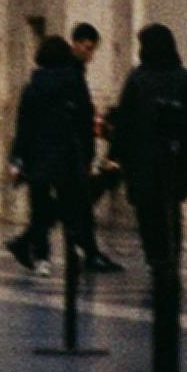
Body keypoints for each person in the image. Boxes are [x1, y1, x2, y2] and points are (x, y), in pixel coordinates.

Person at [106, 23, 187, 283]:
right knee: (169, 210)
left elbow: (125, 120)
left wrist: (115, 154)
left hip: (143, 158)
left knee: (149, 213)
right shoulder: (183, 78)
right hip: (173, 157)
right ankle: (170, 259)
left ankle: (157, 259)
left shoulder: (138, 78)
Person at [7, 32, 96, 271]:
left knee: (40, 206)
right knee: (69, 205)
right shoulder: (74, 82)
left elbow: (23, 125)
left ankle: (42, 257)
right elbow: (84, 120)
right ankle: (71, 251)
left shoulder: (33, 86)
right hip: (67, 153)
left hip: (38, 155)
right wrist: (89, 153)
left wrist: (17, 159)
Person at [70, 21, 124, 271]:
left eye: (93, 50)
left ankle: (84, 248)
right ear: (76, 43)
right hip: (73, 148)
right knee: (80, 201)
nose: (90, 55)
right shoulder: (71, 72)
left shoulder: (77, 70)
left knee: (80, 203)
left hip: (79, 148)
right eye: (87, 48)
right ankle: (88, 251)